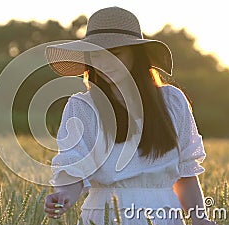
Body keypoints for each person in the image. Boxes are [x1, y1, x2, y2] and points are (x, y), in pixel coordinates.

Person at [44, 7, 217, 225]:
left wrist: (200, 218)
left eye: (115, 55)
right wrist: (64, 197)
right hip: (105, 215)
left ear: (137, 55)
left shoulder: (172, 101)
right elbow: (74, 168)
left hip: (164, 215)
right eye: (97, 56)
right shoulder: (82, 107)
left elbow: (186, 174)